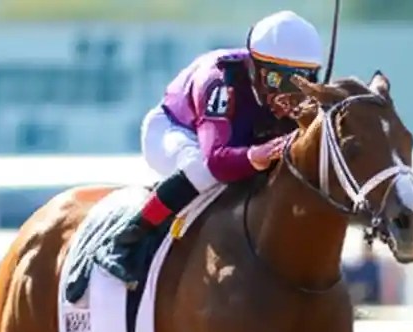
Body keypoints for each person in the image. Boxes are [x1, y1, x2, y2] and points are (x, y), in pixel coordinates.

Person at [114, 10, 325, 252]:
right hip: (177, 130)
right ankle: (134, 235)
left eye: (303, 81)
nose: (289, 96)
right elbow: (217, 160)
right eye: (277, 80)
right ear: (254, 67)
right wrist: (254, 156)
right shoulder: (220, 82)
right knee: (200, 168)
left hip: (241, 137)